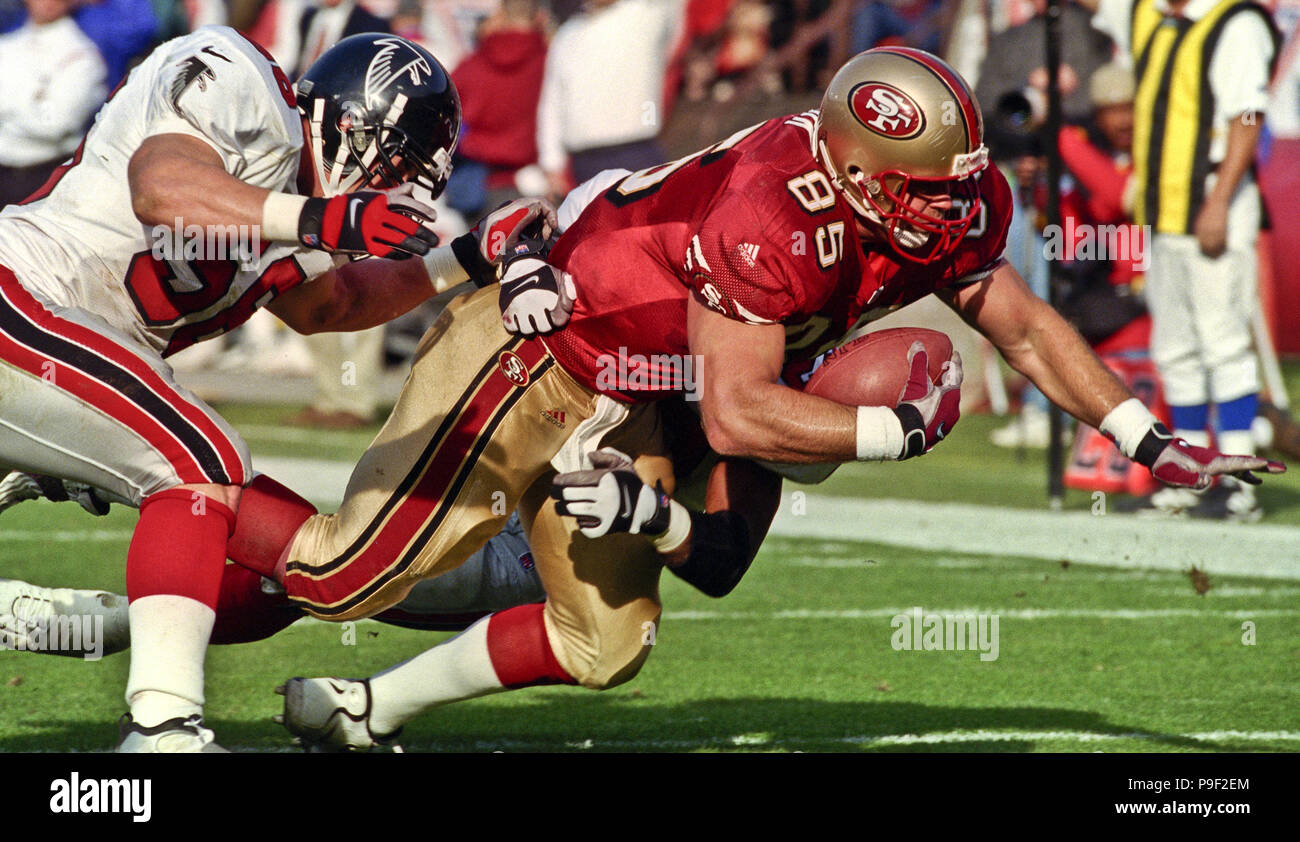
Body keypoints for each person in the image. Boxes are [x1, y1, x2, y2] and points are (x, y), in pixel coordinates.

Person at [247, 47, 1276, 749]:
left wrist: (1150, 441)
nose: (953, 207)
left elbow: (1020, 320)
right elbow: (740, 411)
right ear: (855, 170)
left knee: (604, 642)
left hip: (641, 390)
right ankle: (182, 522)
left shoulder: (938, 199)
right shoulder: (774, 210)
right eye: (924, 188)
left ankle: (364, 709)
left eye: (959, 183)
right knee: (345, 577)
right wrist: (893, 429)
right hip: (539, 348)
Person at [0, 27, 548, 752]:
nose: (403, 193)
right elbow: (160, 187)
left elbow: (334, 306)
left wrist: (467, 258)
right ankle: (163, 730)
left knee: (317, 559)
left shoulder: (298, 206)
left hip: (70, 377)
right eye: (401, 168)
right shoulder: (243, 82)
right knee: (199, 462)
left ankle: (97, 625)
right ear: (358, 126)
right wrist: (323, 219)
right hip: (20, 303)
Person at [1090, 0, 1281, 520]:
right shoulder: (1147, 11)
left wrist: (1218, 202)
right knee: (1174, 348)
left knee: (1223, 343)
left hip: (1211, 200)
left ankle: (1239, 483)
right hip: (1161, 208)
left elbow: (1247, 115)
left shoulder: (1232, 21)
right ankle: (1193, 473)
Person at [0, 0, 106, 206]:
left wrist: (7, 109)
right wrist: (34, 99)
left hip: (45, 176)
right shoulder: (6, 46)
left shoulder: (80, 54)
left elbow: (55, 123)